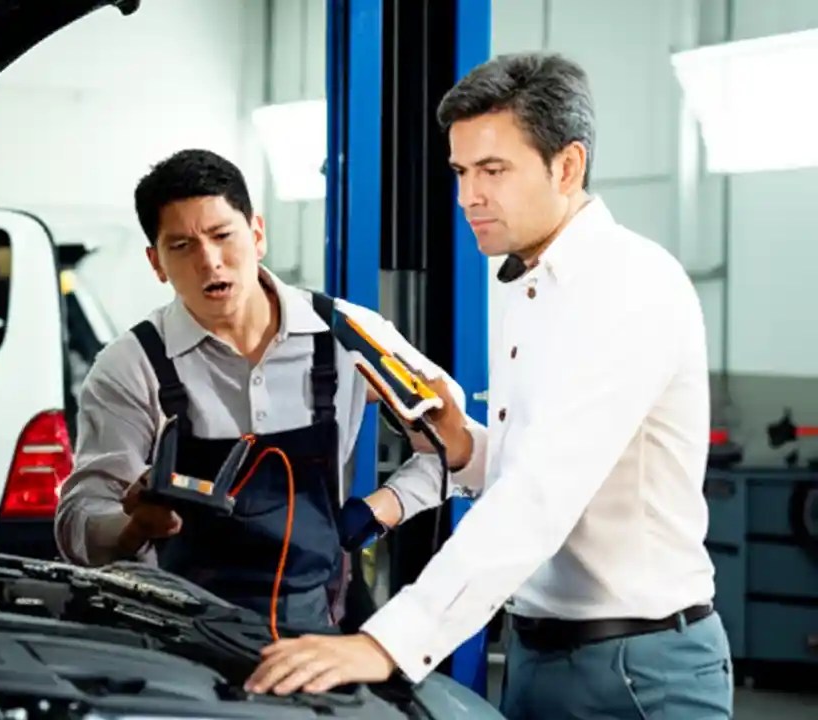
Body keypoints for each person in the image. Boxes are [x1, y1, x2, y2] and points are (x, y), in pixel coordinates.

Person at [243, 52, 734, 719]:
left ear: (568, 166)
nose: (467, 196)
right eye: (461, 172)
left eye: (493, 170)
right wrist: (461, 445)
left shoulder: (630, 286)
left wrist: (387, 641)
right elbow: (523, 467)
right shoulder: (532, 288)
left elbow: (542, 493)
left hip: (638, 672)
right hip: (537, 654)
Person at [53, 148, 483, 632]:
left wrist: (379, 510)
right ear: (156, 262)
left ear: (257, 234)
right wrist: (131, 529)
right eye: (182, 246)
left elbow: (463, 445)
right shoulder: (130, 367)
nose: (209, 262)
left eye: (222, 236)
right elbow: (79, 518)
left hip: (320, 622)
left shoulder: (348, 336)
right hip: (181, 636)